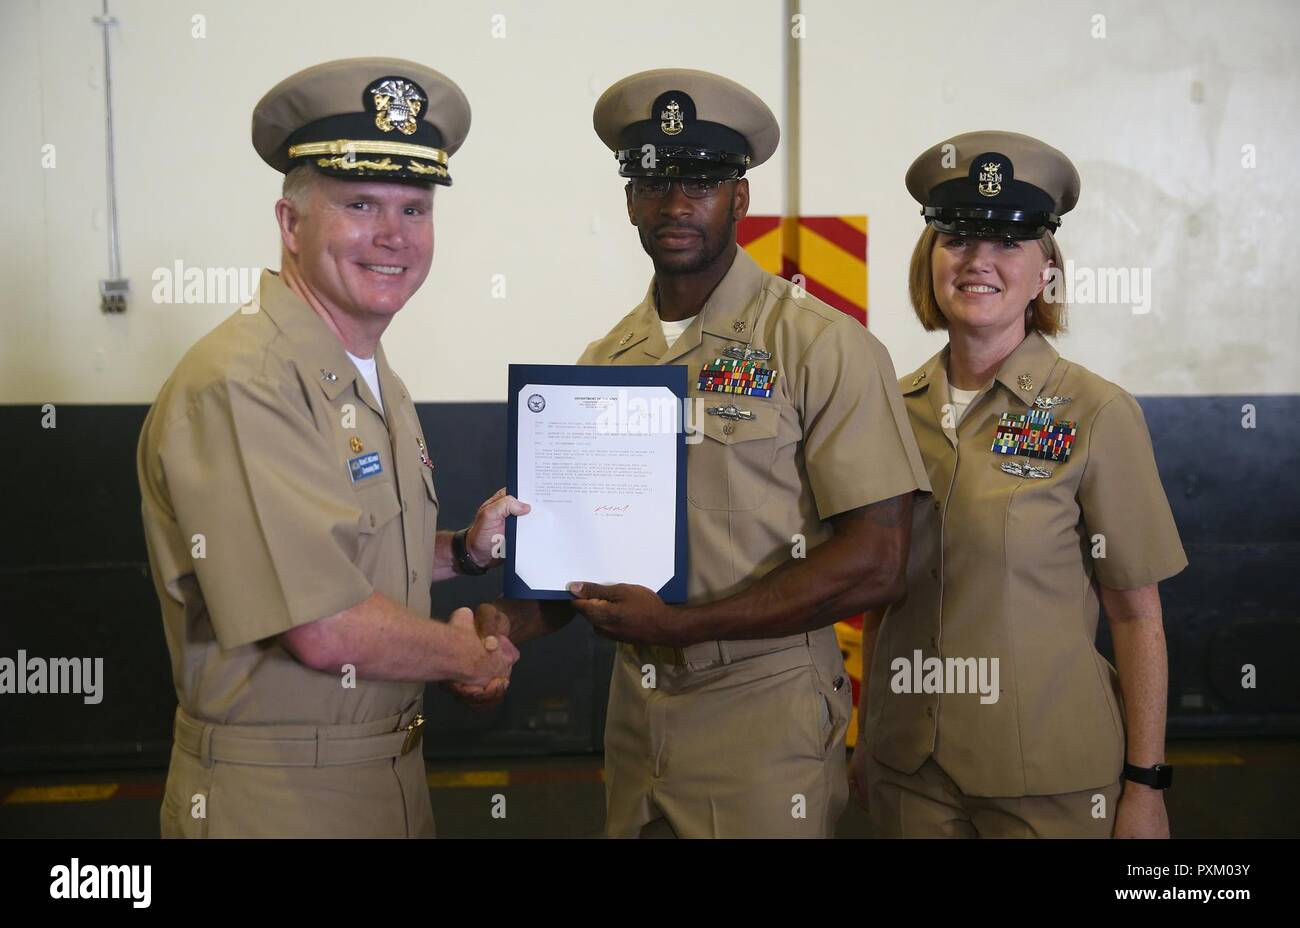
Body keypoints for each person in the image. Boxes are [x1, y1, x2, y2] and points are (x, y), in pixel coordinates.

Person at [473, 68, 930, 837]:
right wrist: (501, 630)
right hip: (637, 715)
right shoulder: (604, 362)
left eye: (702, 183)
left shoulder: (820, 344)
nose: (676, 204)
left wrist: (686, 625)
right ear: (629, 200)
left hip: (765, 717)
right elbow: (576, 564)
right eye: (654, 183)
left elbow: (877, 560)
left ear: (739, 199)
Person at [137, 58, 526, 838]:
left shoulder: (372, 376)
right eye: (359, 204)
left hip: (385, 774)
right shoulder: (245, 381)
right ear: (291, 224)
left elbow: (341, 559)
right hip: (280, 796)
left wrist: (463, 553)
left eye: (414, 209)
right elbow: (321, 623)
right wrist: (470, 655)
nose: (393, 235)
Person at [849, 130, 1188, 837]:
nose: (978, 261)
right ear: (929, 262)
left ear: (1045, 273)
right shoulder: (891, 409)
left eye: (1007, 242)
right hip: (908, 774)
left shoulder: (1097, 412)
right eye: (956, 239)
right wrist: (866, 739)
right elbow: (880, 598)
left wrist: (1146, 785)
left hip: (1052, 781)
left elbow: (1137, 616)